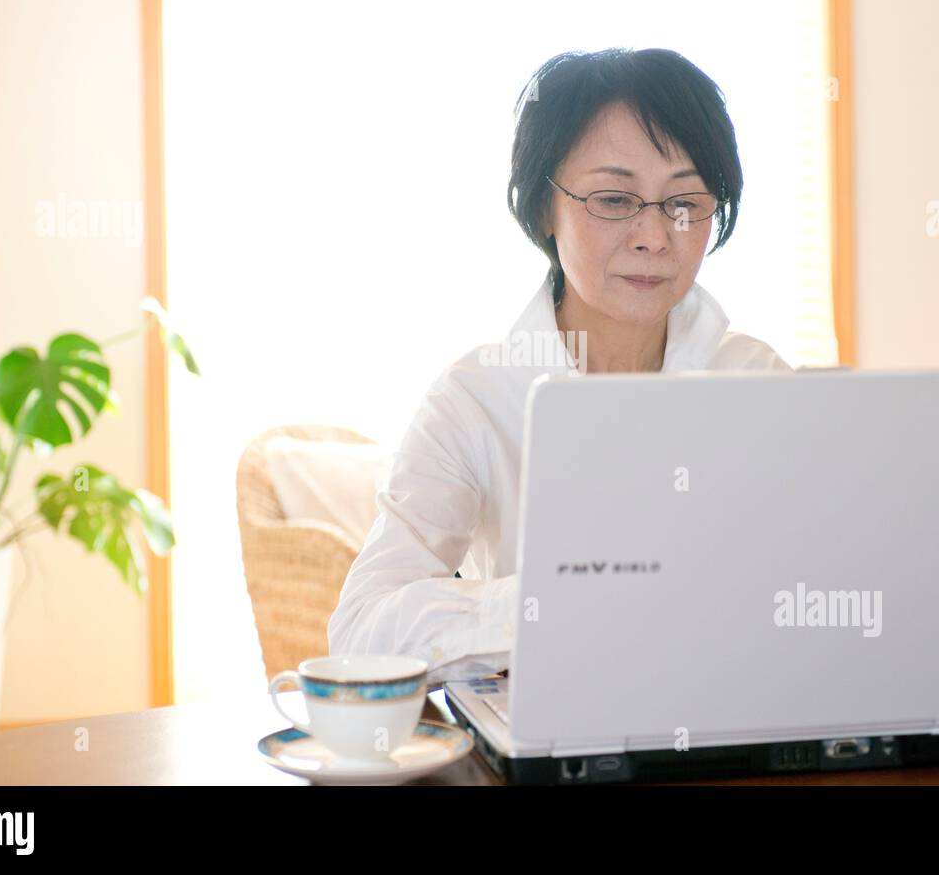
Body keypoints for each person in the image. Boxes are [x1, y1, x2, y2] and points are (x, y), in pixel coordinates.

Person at [327, 48, 792, 686]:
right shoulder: (475, 399)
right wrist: (559, 601)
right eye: (614, 199)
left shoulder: (755, 380)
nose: (655, 236)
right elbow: (362, 630)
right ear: (546, 207)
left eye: (684, 202)